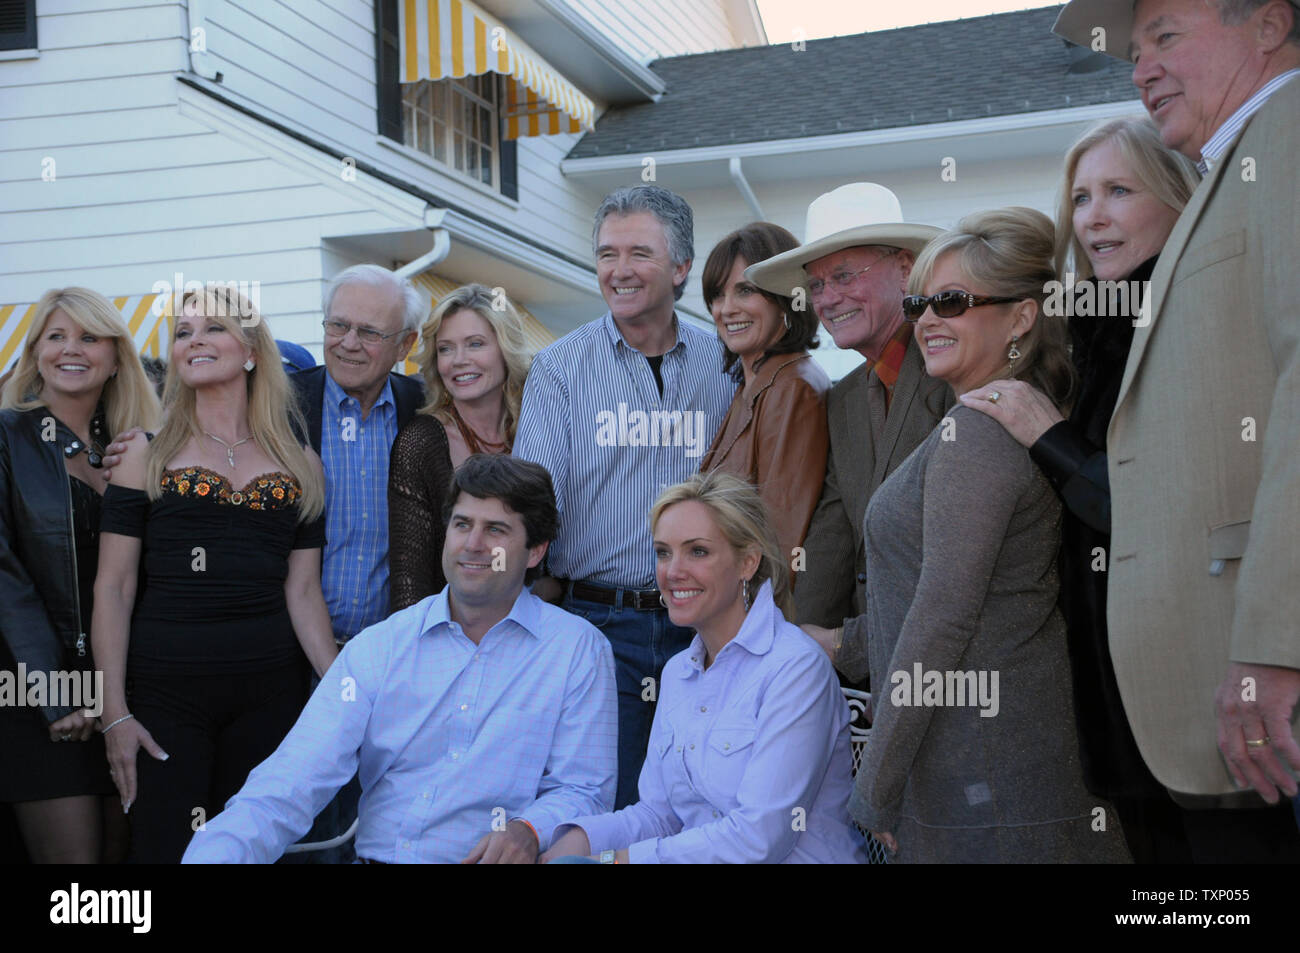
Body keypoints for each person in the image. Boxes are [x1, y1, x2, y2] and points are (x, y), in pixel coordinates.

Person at [1053, 0, 1300, 862]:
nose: (1139, 65)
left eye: (1164, 35)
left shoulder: (1287, 132)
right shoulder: (1234, 163)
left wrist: (1276, 645)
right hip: (1173, 717)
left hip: (1253, 693)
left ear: (1269, 26)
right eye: (1134, 48)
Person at [807, 208, 1131, 863]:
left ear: (1020, 317)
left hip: (990, 772)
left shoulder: (978, 433)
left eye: (952, 301)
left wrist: (875, 787)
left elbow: (943, 616)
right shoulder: (985, 418)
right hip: (984, 756)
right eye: (923, 301)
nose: (927, 318)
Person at [958, 117, 1199, 862]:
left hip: (1191, 702)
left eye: (1119, 191)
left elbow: (1151, 513)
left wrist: (1046, 432)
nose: (1092, 216)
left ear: (1180, 197)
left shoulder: (1187, 322)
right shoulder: (1093, 334)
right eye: (1082, 196)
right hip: (1114, 710)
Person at [182, 455, 618, 864]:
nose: (474, 544)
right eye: (462, 524)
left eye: (496, 530)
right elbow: (290, 781)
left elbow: (585, 789)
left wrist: (529, 829)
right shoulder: (380, 647)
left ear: (536, 550)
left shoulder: (576, 650)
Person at [93, 286, 338, 863]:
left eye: (214, 328)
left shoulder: (302, 463)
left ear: (251, 349)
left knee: (254, 852)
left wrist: (343, 691)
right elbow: (113, 587)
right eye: (183, 332)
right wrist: (114, 715)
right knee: (163, 850)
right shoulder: (142, 456)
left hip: (272, 696)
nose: (195, 340)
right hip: (163, 698)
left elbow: (302, 590)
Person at [514, 186, 734, 809]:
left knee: (708, 803)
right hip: (600, 627)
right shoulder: (560, 368)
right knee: (607, 805)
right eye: (608, 253)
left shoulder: (729, 365)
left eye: (640, 252)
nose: (619, 269)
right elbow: (535, 499)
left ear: (681, 267)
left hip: (713, 623)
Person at [542, 471, 865, 864]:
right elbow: (658, 815)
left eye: (697, 551)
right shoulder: (679, 672)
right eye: (663, 552)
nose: (672, 571)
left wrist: (615, 861)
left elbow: (759, 839)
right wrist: (579, 839)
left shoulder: (796, 669)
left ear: (747, 561)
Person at [745, 184, 952, 644]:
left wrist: (846, 647)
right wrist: (790, 645)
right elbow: (833, 535)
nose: (827, 299)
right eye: (816, 285)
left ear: (905, 269)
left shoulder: (954, 369)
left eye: (843, 276)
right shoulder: (844, 398)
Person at [0, 288, 161, 863]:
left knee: (123, 870)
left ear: (117, 358)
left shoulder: (130, 447)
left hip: (123, 691)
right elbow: (4, 576)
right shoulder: (5, 436)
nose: (72, 350)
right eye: (57, 336)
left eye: (90, 337)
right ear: (35, 352)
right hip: (35, 693)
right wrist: (50, 686)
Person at [291, 264, 424, 643]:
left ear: (405, 345)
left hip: (389, 656)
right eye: (338, 326)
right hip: (287, 655)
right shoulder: (279, 406)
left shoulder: (423, 412)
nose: (349, 343)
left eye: (369, 332)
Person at [388, 283, 531, 611]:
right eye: (446, 349)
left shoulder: (540, 429)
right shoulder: (421, 442)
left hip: (540, 630)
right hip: (451, 635)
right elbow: (410, 579)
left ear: (505, 348)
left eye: (475, 344)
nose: (458, 361)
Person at [698, 223, 830, 576]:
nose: (726, 309)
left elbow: (781, 537)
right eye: (717, 294)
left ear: (784, 295)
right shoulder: (750, 384)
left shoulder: (792, 388)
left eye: (745, 291)